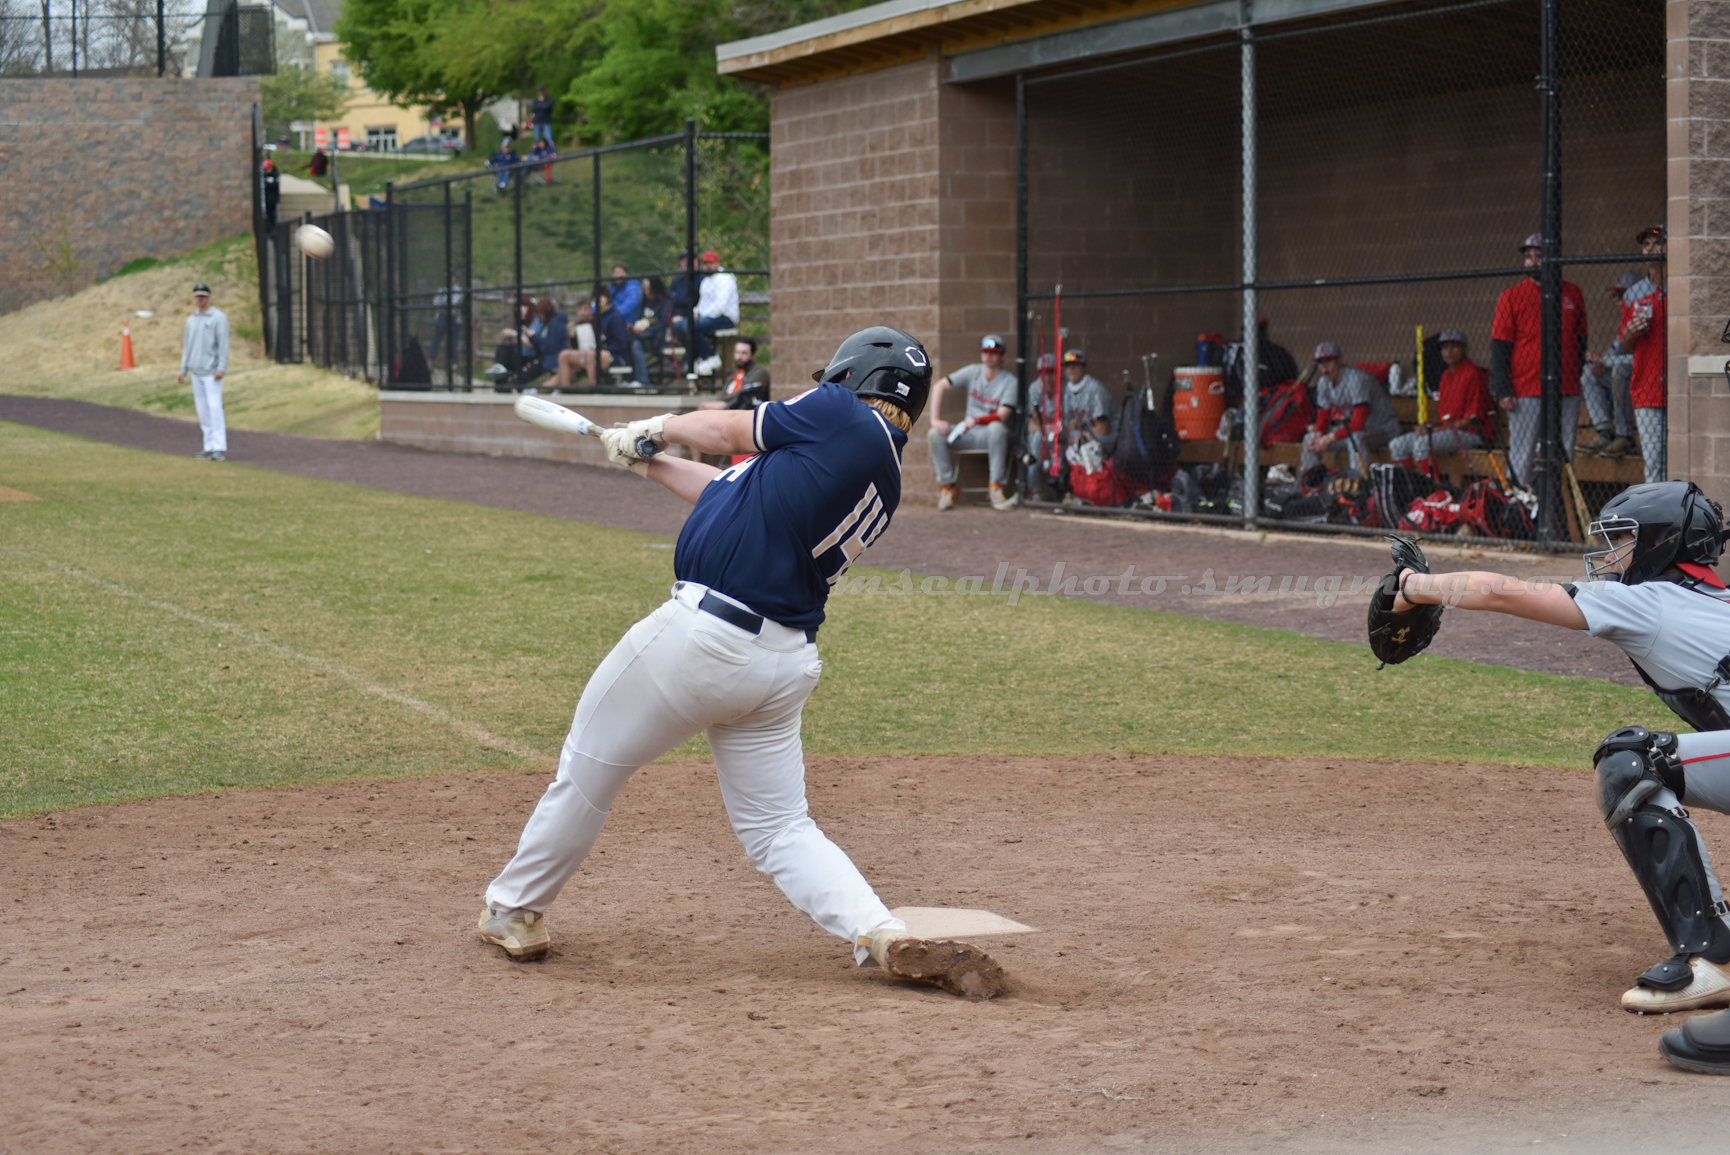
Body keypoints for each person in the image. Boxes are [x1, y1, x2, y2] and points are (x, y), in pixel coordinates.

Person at [475, 326, 1008, 1000]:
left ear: (850, 378)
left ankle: (515, 908)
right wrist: (645, 458)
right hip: (779, 664)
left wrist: (657, 424)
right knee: (782, 828)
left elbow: (729, 431)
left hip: (700, 638)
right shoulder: (877, 469)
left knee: (586, 767)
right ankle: (880, 930)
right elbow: (728, 487)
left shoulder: (839, 414)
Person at [1385, 481, 1730, 1074]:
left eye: (1622, 540)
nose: (1610, 555)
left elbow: (1503, 592)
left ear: (1663, 545)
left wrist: (1414, 587)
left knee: (1634, 761)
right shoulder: (1712, 601)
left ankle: (1707, 957)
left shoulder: (1648, 602)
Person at [1489, 233, 1587, 488]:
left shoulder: (1572, 293)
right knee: (1523, 455)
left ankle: (1558, 508)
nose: (1533, 261)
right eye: (1528, 257)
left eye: (1539, 256)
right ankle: (1520, 514)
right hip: (1525, 389)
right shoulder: (1511, 296)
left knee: (1565, 452)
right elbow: (1500, 348)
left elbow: (1581, 340)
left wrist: (1574, 374)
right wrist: (1503, 388)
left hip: (1566, 388)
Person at [926, 333, 1019, 512]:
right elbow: (939, 386)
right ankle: (948, 487)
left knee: (997, 428)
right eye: (985, 352)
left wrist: (975, 420)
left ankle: (996, 487)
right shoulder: (973, 371)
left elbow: (1003, 415)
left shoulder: (1010, 381)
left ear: (1003, 356)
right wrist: (935, 420)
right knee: (935, 434)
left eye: (993, 352)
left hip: (990, 435)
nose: (988, 356)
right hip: (967, 433)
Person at [1387, 328, 1495, 469]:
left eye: (1454, 346)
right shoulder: (1445, 376)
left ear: (1465, 349)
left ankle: (1433, 488)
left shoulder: (1473, 374)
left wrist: (1435, 431)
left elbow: (1471, 420)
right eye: (1445, 348)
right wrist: (1428, 426)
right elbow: (1446, 419)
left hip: (1472, 434)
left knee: (1422, 444)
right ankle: (1410, 487)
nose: (1449, 352)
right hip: (1449, 432)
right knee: (1397, 445)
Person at [1300, 342, 1400, 475]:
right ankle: (1308, 485)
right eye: (1320, 362)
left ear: (1340, 360)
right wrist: (1319, 435)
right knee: (1310, 438)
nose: (1324, 367)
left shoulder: (1356, 379)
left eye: (1329, 361)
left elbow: (1358, 424)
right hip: (1358, 430)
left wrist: (1328, 438)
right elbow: (1323, 418)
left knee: (1356, 438)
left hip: (1384, 427)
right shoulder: (1324, 383)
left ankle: (1357, 484)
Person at [1620, 225, 1668, 485]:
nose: (1651, 247)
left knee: (1680, 458)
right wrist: (1629, 333)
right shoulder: (1634, 294)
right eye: (1646, 243)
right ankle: (1657, 522)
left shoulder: (1683, 288)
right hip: (1646, 388)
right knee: (1653, 459)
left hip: (1678, 388)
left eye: (1657, 242)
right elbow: (1626, 345)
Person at [1582, 273, 1640, 459]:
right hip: (1626, 380)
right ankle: (1605, 432)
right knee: (1589, 372)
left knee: (1620, 370)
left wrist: (1606, 362)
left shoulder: (1643, 316)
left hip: (1647, 379)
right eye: (1614, 295)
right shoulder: (1624, 323)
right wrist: (1601, 362)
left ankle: (1625, 436)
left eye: (1621, 295)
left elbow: (1638, 359)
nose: (1616, 299)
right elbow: (1613, 354)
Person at [177, 283, 230, 461]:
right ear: (194, 298)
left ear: (210, 297)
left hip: (211, 372)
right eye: (198, 296)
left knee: (215, 408)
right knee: (202, 410)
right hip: (196, 371)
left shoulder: (218, 318)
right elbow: (187, 347)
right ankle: (208, 446)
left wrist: (221, 367)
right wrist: (183, 369)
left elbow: (223, 345)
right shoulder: (191, 320)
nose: (201, 299)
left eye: (204, 296)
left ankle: (219, 447)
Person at [672, 250, 738, 376]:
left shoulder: (725, 278)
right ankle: (697, 357)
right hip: (709, 317)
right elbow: (702, 304)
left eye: (711, 263)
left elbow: (721, 306)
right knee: (678, 326)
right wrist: (695, 313)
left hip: (725, 318)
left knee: (690, 325)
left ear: (717, 263)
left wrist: (701, 315)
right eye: (705, 263)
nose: (708, 266)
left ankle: (710, 358)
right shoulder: (706, 281)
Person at [594, 285, 649, 386]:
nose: (599, 300)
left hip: (618, 356)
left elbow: (621, 343)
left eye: (601, 296)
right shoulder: (596, 318)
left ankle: (597, 388)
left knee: (596, 356)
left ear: (607, 298)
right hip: (601, 352)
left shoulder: (615, 317)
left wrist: (606, 349)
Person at [701, 337, 771, 411]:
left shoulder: (760, 372)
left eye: (744, 353)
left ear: (754, 355)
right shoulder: (735, 373)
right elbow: (723, 394)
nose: (739, 357)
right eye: (737, 352)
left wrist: (723, 404)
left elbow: (743, 393)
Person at [553, 301, 600, 390]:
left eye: (585, 309)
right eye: (579, 310)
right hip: (582, 355)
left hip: (594, 355)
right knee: (564, 369)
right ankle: (541, 390)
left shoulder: (597, 322)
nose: (583, 312)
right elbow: (575, 346)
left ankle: (593, 389)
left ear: (591, 309)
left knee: (587, 356)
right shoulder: (579, 324)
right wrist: (572, 334)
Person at [260, 157, 281, 229]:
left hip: (273, 199)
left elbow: (275, 185)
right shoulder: (264, 176)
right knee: (267, 215)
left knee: (273, 215)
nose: (266, 171)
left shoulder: (275, 175)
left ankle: (273, 228)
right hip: (266, 199)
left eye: (267, 169)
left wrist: (268, 184)